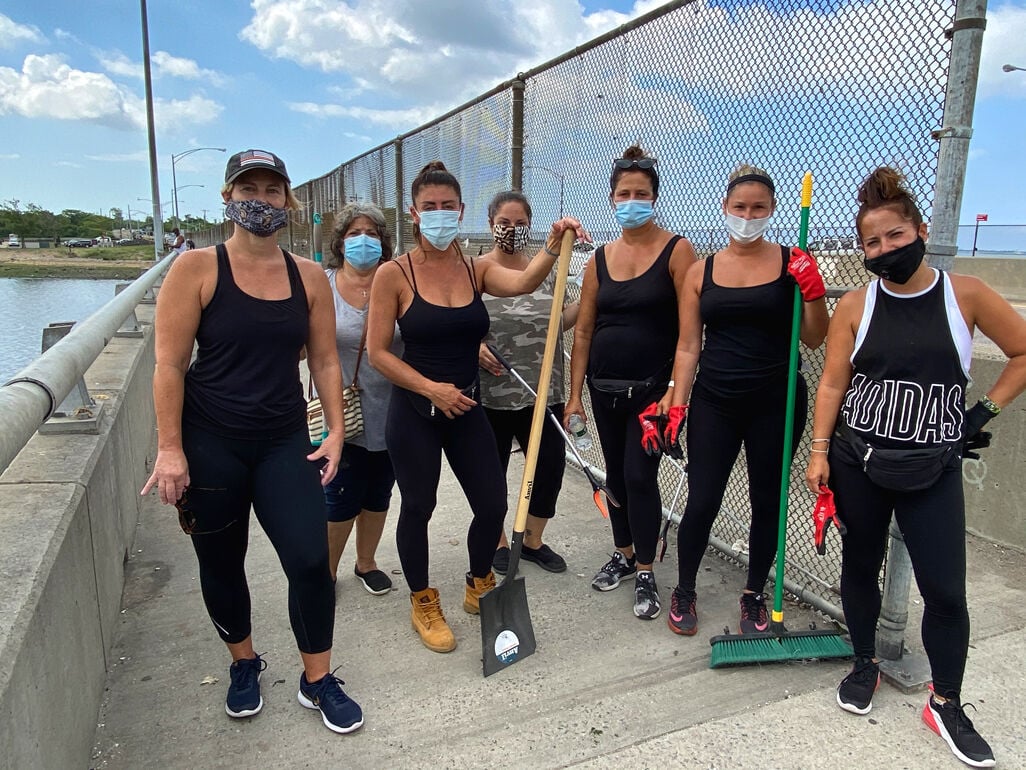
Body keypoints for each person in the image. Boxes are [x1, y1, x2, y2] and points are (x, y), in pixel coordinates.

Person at [805, 167, 1026, 768]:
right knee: (860, 568)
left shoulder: (966, 295)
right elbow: (832, 383)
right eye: (872, 243)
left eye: (896, 236)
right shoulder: (857, 304)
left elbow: (1021, 352)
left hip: (934, 466)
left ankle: (946, 702)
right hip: (859, 462)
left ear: (920, 231)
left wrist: (979, 414)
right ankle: (864, 664)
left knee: (946, 590)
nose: (885, 251)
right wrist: (819, 452)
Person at [140, 149, 363, 734]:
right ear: (227, 197)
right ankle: (244, 662)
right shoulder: (195, 269)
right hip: (210, 441)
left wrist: (336, 430)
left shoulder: (308, 277)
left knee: (310, 560)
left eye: (271, 190)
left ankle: (318, 678)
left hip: (283, 440)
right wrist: (170, 448)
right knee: (221, 562)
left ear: (287, 200)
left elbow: (324, 360)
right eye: (248, 189)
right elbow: (169, 364)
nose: (260, 200)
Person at [367, 161, 587, 653]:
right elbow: (378, 352)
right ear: (413, 213)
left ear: (462, 211)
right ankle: (423, 600)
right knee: (419, 505)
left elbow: (525, 282)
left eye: (448, 206)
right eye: (429, 206)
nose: (439, 213)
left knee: (491, 504)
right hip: (416, 411)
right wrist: (431, 389)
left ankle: (479, 580)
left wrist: (554, 243)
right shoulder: (393, 274)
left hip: (465, 406)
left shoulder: (476, 269)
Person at [665, 164, 829, 637]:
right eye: (740, 207)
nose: (748, 216)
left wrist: (813, 291)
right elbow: (688, 346)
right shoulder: (701, 271)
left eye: (758, 208)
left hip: (776, 402)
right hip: (715, 402)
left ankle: (754, 592)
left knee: (767, 502)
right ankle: (685, 588)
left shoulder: (793, 263)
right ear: (725, 208)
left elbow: (814, 338)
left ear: (772, 210)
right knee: (702, 500)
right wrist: (677, 403)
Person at [565, 144, 697, 620]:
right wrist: (574, 396)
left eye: (641, 194)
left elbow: (689, 332)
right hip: (603, 389)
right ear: (612, 198)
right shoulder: (599, 259)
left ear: (654, 198)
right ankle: (623, 553)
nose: (632, 201)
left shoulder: (678, 251)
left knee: (641, 477)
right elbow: (583, 331)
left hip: (651, 392)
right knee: (616, 477)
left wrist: (674, 393)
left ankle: (645, 568)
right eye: (624, 194)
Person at [477, 190, 580, 576]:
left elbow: (559, 321)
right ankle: (498, 541)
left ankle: (532, 540)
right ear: (491, 224)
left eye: (520, 223)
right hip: (492, 393)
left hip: (541, 391)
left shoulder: (548, 268)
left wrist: (590, 294)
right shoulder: (476, 270)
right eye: (504, 222)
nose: (512, 229)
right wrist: (473, 347)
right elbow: (457, 322)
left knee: (549, 468)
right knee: (490, 473)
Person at [320, 202, 402, 595]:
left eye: (371, 233)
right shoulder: (323, 285)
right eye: (354, 234)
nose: (363, 240)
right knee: (340, 497)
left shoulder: (399, 280)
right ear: (340, 242)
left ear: (383, 242)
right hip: (343, 413)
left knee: (379, 493)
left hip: (393, 410)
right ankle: (326, 572)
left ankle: (366, 562)